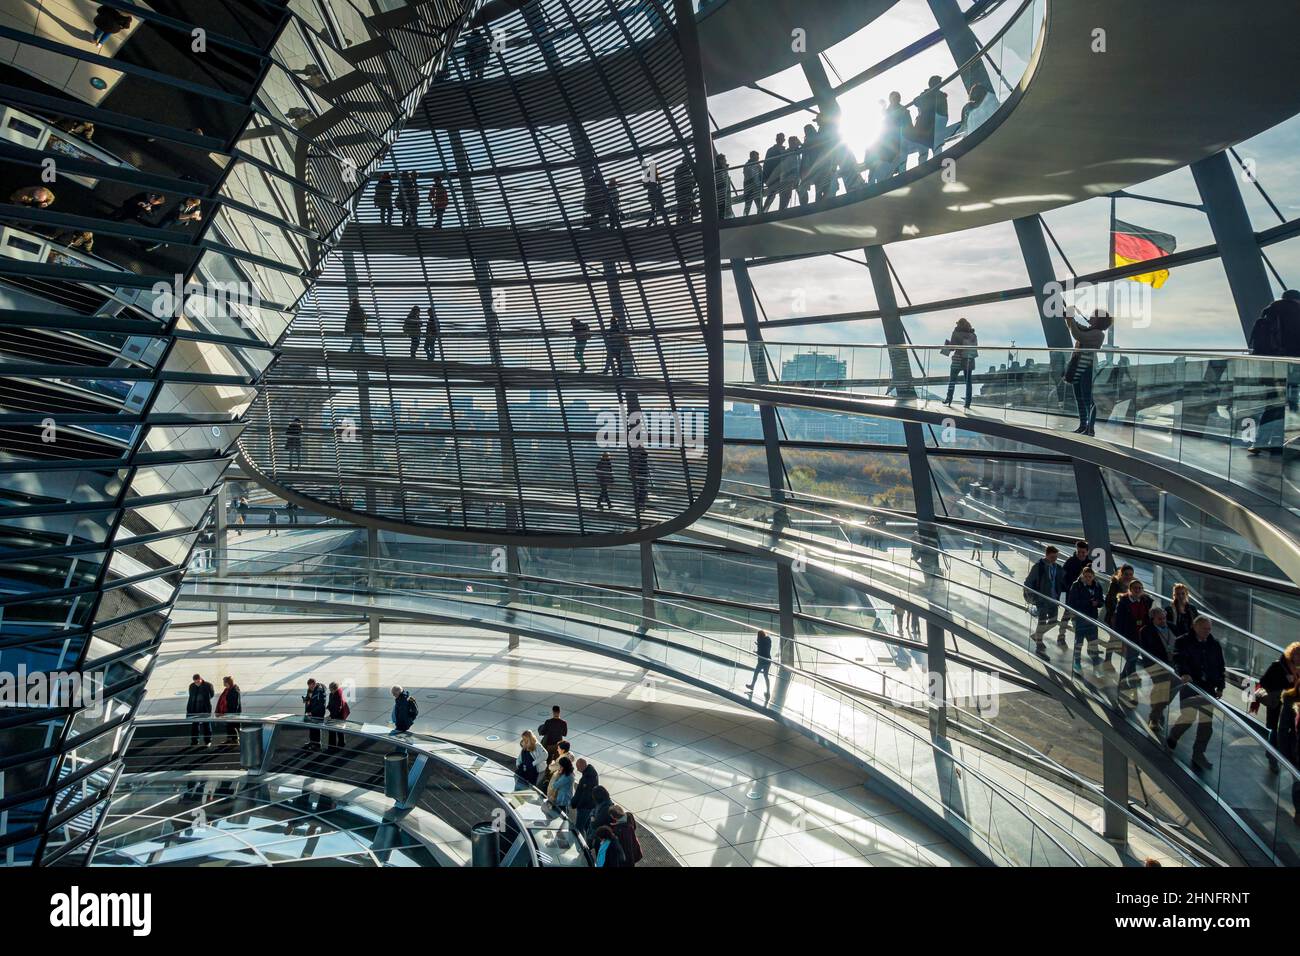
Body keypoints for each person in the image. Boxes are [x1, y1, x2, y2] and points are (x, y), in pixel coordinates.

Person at [1167, 617, 1226, 771]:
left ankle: (1198, 754)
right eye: (1204, 628)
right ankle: (1174, 736)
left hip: (1208, 689)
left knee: (1206, 725)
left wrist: (1220, 686)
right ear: (1195, 627)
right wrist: (1184, 673)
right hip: (1191, 687)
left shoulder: (1214, 645)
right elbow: (1178, 659)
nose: (1207, 631)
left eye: (1209, 629)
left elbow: (1220, 667)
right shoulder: (1183, 641)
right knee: (1188, 717)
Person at [1247, 290, 1300, 454]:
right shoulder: (1296, 312)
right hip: (1291, 365)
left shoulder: (1269, 311)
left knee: (1272, 404)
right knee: (1288, 404)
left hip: (1270, 366)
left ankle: (1261, 442)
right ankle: (1277, 444)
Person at [1064, 308, 1111, 435]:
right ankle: (1083, 426)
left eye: (1094, 316)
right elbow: (1077, 327)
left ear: (1099, 320)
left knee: (1087, 399)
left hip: (1087, 370)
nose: (1090, 317)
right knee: (1080, 398)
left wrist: (1070, 318)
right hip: (1078, 369)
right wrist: (1069, 318)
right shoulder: (1091, 330)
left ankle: (1090, 428)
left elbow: (1078, 335)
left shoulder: (1098, 334)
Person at [1254, 642, 1300, 773]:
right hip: (1278, 705)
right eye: (1296, 654)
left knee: (1292, 733)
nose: (1298, 657)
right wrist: (1286, 681)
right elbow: (1264, 682)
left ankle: (1288, 758)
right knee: (1276, 731)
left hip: (1294, 707)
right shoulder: (1278, 666)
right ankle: (1272, 756)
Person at [1137, 607, 1179, 733]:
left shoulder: (1172, 627)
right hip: (1156, 665)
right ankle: (1154, 717)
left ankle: (1158, 708)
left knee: (1174, 686)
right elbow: (1146, 652)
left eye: (1164, 618)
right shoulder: (1146, 631)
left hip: (1173, 664)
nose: (1163, 621)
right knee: (1162, 687)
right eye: (1159, 619)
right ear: (1152, 619)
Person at [1022, 545, 1062, 653]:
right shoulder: (1038, 567)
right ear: (1047, 555)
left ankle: (1036, 635)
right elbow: (1028, 583)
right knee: (1042, 622)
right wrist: (1035, 598)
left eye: (1056, 557)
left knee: (1053, 622)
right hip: (1042, 600)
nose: (1055, 559)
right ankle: (1039, 643)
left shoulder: (1056, 567)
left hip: (1054, 599)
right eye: (1053, 557)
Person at [1114, 578, 1154, 685]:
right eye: (1135, 588)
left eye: (1140, 588)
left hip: (1141, 635)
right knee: (1131, 657)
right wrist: (1121, 638)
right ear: (1130, 589)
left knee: (1133, 658)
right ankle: (1133, 680)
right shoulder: (1124, 603)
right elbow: (1119, 622)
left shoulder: (1146, 601)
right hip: (1129, 634)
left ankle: (1123, 677)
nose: (1138, 590)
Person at [1065, 564, 1105, 669]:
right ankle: (1077, 662)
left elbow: (1101, 601)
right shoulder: (1076, 585)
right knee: (1079, 642)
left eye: (1090, 577)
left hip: (1092, 619)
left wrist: (1097, 603)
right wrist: (1088, 602)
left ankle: (1096, 664)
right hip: (1079, 618)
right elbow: (1072, 602)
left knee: (1093, 642)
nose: (1088, 579)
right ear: (1082, 575)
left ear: (1093, 577)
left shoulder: (1097, 586)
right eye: (1086, 576)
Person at [1057, 540, 1092, 644]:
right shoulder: (1070, 561)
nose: (1080, 554)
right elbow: (1062, 577)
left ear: (1087, 552)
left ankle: (1081, 641)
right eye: (1079, 552)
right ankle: (1061, 636)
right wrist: (1069, 588)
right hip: (1071, 594)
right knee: (1068, 615)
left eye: (1083, 552)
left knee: (1078, 617)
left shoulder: (1089, 564)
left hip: (1084, 596)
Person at [942, 317, 978, 408]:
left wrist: (948, 344)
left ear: (959, 324)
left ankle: (949, 398)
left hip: (958, 359)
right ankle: (968, 402)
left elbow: (952, 347)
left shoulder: (956, 333)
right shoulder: (973, 335)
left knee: (952, 380)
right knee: (968, 382)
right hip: (969, 360)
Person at [1103, 564, 1135, 665]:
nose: (1128, 577)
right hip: (1115, 618)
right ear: (1121, 574)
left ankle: (1127, 666)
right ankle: (1108, 661)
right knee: (1114, 639)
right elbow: (1109, 601)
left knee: (1126, 642)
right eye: (1126, 574)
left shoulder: (1133, 585)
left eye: (1130, 575)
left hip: (1128, 618)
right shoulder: (1115, 584)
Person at [913, 75, 949, 159]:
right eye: (938, 83)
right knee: (924, 153)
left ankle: (937, 165)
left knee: (936, 151)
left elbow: (944, 113)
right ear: (932, 84)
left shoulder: (941, 96)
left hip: (934, 127)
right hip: (924, 128)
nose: (940, 84)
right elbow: (915, 101)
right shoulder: (925, 94)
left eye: (940, 83)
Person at [571, 758, 600, 836]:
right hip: (589, 806)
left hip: (585, 807)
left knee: (579, 827)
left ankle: (580, 845)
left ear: (582, 766)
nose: (577, 769)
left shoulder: (587, 777)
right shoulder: (591, 773)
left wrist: (577, 804)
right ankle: (586, 843)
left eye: (578, 767)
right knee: (586, 827)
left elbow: (584, 794)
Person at [186, 673, 214, 745]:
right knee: (195, 725)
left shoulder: (208, 685)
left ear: (201, 679)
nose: (197, 683)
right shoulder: (192, 686)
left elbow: (212, 695)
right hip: (195, 708)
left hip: (205, 709)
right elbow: (191, 697)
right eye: (195, 682)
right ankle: (195, 740)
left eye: (198, 682)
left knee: (206, 725)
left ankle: (208, 741)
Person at [761, 133, 786, 211]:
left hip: (782, 175)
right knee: (772, 194)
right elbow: (766, 164)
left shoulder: (785, 150)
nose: (780, 140)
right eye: (779, 138)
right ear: (776, 139)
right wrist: (765, 177)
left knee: (783, 192)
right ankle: (764, 211)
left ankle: (782, 210)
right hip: (772, 175)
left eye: (782, 138)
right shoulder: (771, 150)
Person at [744, 628, 773, 698]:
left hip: (761, 661)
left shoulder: (760, 641)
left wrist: (755, 651)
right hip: (768, 660)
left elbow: (760, 652)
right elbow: (765, 648)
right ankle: (768, 691)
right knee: (766, 676)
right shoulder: (768, 639)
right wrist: (758, 644)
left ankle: (752, 686)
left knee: (756, 673)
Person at [779, 134, 804, 208]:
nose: (793, 144)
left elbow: (804, 148)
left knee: (801, 192)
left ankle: (804, 208)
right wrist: (799, 144)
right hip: (787, 178)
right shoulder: (785, 152)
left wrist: (799, 143)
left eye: (794, 142)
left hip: (795, 177)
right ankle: (781, 213)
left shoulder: (797, 152)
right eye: (792, 142)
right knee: (786, 197)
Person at [214, 675, 241, 744]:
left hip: (232, 712)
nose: (223, 683)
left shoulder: (235, 690)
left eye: (224, 682)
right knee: (229, 726)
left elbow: (236, 704)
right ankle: (230, 739)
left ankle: (235, 740)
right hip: (226, 712)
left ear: (227, 682)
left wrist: (232, 714)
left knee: (232, 726)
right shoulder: (227, 689)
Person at [302, 678, 327, 749]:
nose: (310, 688)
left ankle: (317, 744)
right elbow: (310, 698)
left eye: (311, 686)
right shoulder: (310, 690)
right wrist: (306, 699)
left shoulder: (320, 691)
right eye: (309, 686)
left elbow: (320, 704)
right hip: (311, 712)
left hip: (318, 712)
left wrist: (312, 712)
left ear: (314, 684)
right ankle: (312, 741)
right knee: (311, 727)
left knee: (316, 728)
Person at [326, 681, 349, 748]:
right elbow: (330, 703)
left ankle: (340, 744)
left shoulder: (338, 695)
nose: (330, 691)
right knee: (336, 729)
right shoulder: (332, 694)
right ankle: (334, 744)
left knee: (339, 730)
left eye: (331, 689)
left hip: (339, 715)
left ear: (334, 689)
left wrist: (331, 716)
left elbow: (338, 708)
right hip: (335, 714)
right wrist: (328, 707)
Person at [674, 159, 697, 224]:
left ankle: (680, 222)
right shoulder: (686, 169)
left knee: (681, 209)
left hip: (680, 193)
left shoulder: (678, 169)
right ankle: (686, 222)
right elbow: (690, 181)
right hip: (685, 193)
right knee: (686, 209)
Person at [741, 150, 762, 216]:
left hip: (756, 188)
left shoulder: (756, 165)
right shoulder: (748, 165)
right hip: (750, 188)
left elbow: (761, 176)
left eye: (758, 157)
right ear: (752, 156)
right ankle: (745, 218)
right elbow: (750, 175)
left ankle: (760, 217)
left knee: (759, 205)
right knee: (748, 205)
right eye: (757, 157)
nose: (758, 158)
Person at [713, 154, 731, 219]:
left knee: (723, 209)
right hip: (721, 194)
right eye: (724, 159)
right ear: (720, 160)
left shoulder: (721, 170)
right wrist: (725, 169)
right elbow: (721, 181)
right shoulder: (718, 170)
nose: (726, 161)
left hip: (723, 193)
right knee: (721, 209)